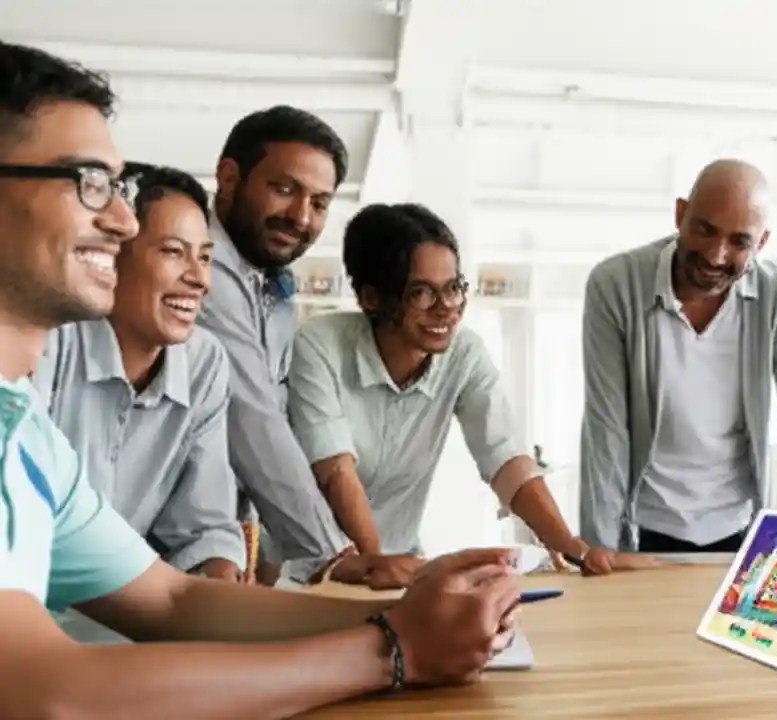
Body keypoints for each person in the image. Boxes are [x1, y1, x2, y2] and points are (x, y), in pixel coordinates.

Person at [0, 40, 524, 717]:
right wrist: (392, 649)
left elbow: (172, 599)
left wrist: (411, 614)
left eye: (119, 189)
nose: (124, 222)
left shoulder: (26, 434)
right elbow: (45, 694)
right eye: (89, 182)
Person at [287, 203, 658, 580]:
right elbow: (337, 472)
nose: (446, 309)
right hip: (315, 569)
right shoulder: (320, 345)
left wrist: (576, 550)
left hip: (401, 564)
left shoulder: (464, 353)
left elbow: (505, 458)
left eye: (453, 289)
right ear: (371, 298)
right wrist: (377, 563)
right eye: (421, 293)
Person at [579, 159, 777, 554]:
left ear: (761, 243)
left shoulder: (773, 294)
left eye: (739, 241)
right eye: (705, 229)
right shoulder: (615, 285)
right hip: (647, 527)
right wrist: (600, 550)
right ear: (680, 214)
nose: (716, 256)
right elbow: (606, 430)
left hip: (740, 526)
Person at [196, 105, 405, 584]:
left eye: (319, 202)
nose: (300, 216)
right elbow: (252, 418)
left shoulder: (274, 285)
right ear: (229, 178)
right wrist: (330, 556)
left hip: (219, 544)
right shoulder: (205, 267)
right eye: (284, 189)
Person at [33, 162, 245, 581]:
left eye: (205, 256)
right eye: (173, 252)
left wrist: (220, 577)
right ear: (112, 256)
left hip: (130, 602)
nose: (199, 278)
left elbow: (204, 528)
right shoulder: (51, 339)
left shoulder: (204, 363)